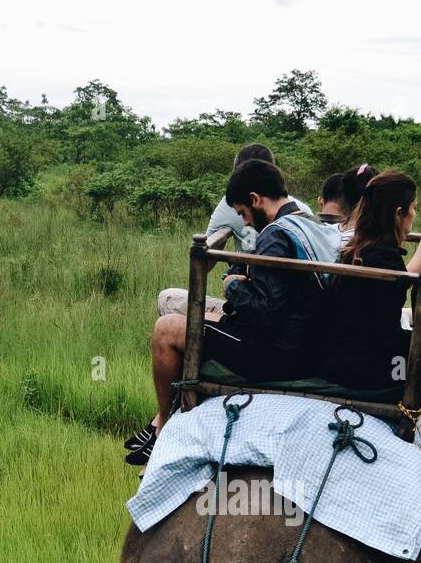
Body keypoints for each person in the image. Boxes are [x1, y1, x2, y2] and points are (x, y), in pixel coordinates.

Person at [125, 160, 338, 465]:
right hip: (305, 341)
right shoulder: (308, 222)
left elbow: (264, 315)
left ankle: (162, 426)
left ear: (255, 199)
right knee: (194, 319)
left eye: (242, 213)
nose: (246, 223)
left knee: (166, 329)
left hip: (276, 355)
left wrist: (232, 286)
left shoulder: (275, 235)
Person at [322, 168, 421, 465]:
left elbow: (381, 314)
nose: (414, 215)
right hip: (368, 371)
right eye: (414, 208)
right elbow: (386, 340)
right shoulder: (383, 257)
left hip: (351, 354)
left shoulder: (363, 247)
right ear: (398, 213)